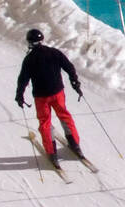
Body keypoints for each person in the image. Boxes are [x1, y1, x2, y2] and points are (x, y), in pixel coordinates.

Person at [15, 29, 84, 168]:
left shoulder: (29, 59)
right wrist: (74, 82)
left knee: (45, 122)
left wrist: (20, 95)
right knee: (65, 116)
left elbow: (23, 80)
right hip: (58, 93)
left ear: (29, 42)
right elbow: (69, 67)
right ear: (42, 40)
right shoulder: (54, 52)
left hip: (41, 97)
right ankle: (75, 144)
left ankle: (52, 153)